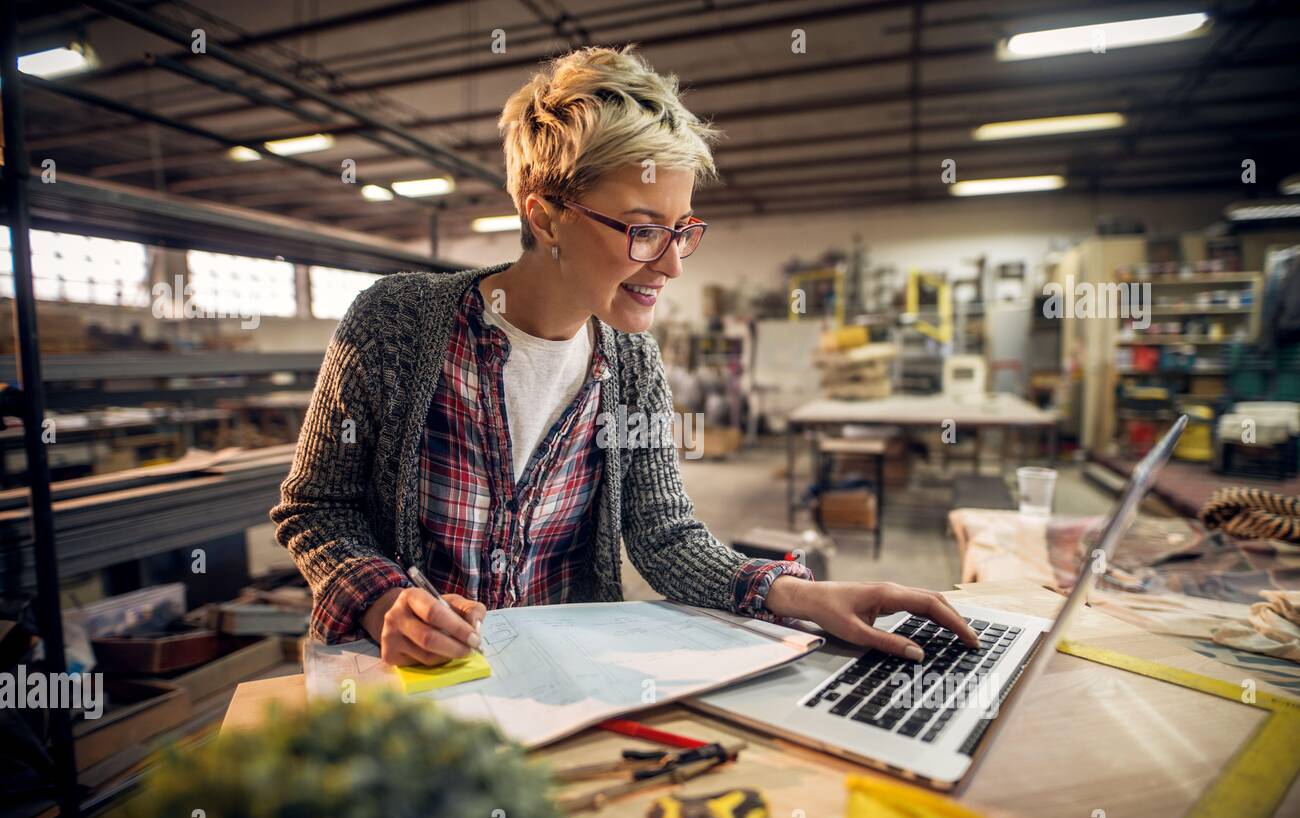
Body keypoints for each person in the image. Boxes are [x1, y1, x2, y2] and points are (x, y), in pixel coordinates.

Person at [271, 45, 976, 668]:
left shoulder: (632, 363)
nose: (671, 266)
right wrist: (382, 601)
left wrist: (802, 594)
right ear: (544, 213)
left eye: (682, 231)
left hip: (559, 685)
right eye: (643, 230)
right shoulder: (397, 324)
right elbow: (315, 505)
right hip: (400, 691)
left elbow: (663, 532)